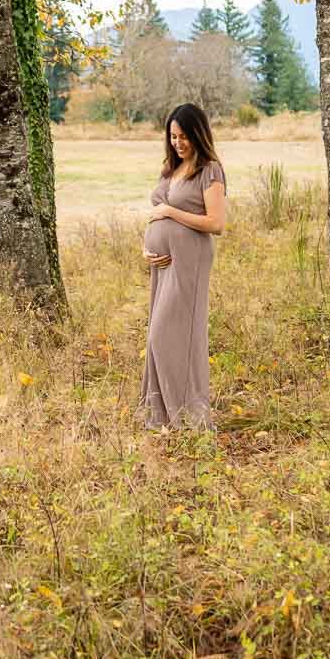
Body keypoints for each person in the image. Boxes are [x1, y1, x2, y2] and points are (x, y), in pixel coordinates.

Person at [140, 103, 226, 429]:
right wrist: (148, 249)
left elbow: (215, 222)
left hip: (190, 259)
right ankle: (161, 415)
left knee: (168, 336)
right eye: (173, 136)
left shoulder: (210, 171)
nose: (178, 143)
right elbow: (156, 215)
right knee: (158, 336)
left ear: (198, 134)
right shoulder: (170, 170)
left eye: (184, 136)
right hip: (162, 265)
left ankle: (188, 415)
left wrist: (170, 214)